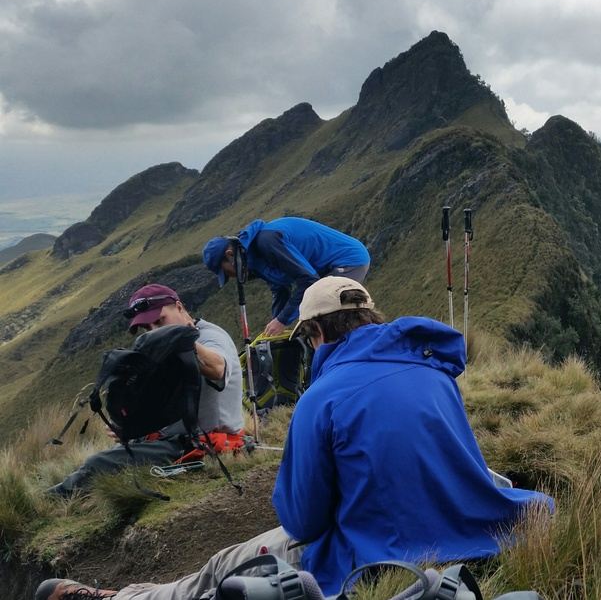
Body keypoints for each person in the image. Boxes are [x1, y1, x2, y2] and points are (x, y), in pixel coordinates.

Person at [37, 277, 552, 600]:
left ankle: (122, 598)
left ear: (316, 334)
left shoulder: (321, 399)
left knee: (227, 566)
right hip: (469, 529)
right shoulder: (436, 373)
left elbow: (303, 521)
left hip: (380, 551)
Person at [47, 284, 244, 498]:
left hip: (204, 444)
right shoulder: (165, 348)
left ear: (179, 307)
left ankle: (47, 502)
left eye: (160, 321)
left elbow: (218, 368)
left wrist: (183, 340)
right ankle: (57, 496)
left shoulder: (210, 336)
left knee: (98, 464)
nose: (155, 331)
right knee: (101, 462)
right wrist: (132, 427)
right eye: (147, 327)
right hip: (174, 440)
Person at [202, 217, 370, 337]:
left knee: (327, 316)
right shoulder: (253, 259)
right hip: (325, 270)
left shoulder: (267, 241)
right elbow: (280, 289)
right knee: (317, 322)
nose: (231, 277)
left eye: (226, 272)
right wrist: (274, 325)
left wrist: (282, 321)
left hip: (348, 260)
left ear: (230, 254)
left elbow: (309, 282)